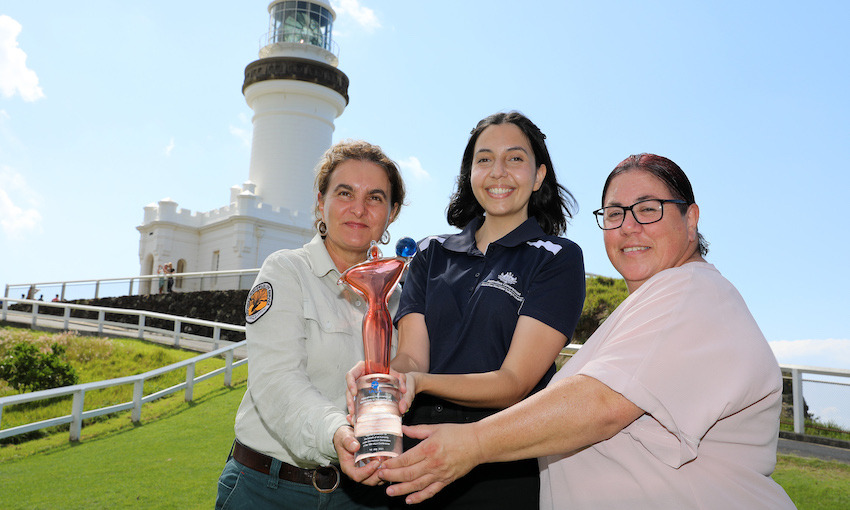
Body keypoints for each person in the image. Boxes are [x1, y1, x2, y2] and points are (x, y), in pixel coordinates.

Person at [373, 153, 795, 509]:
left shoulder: (692, 291)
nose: (628, 226)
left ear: (691, 219)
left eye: (649, 209)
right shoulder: (647, 310)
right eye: (614, 214)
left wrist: (472, 444)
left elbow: (600, 403)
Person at [345, 111, 585, 509]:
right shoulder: (430, 252)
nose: (498, 171)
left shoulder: (557, 258)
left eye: (515, 158)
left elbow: (514, 382)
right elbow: (412, 356)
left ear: (539, 175)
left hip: (500, 468)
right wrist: (383, 374)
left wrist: (420, 382)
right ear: (470, 173)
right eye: (484, 159)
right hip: (416, 461)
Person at [215, 140, 407, 510]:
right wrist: (336, 432)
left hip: (362, 496)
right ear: (321, 202)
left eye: (375, 197)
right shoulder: (286, 271)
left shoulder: (399, 297)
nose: (358, 209)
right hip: (268, 489)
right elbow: (277, 379)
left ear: (392, 212)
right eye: (344, 193)